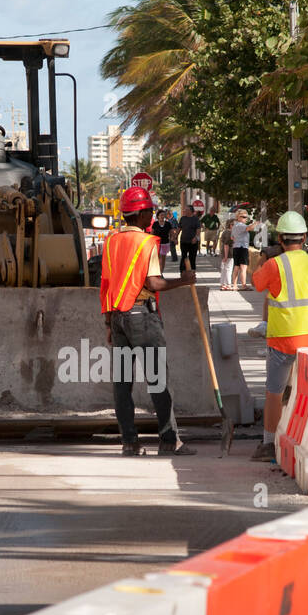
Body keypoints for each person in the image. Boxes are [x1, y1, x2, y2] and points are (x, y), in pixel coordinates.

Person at [100, 185, 197, 457]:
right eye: (150, 212)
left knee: (122, 383)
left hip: (118, 317)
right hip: (142, 314)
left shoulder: (111, 242)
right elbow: (153, 282)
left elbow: (106, 285)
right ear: (141, 214)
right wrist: (183, 281)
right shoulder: (146, 242)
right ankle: (169, 440)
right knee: (157, 380)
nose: (152, 216)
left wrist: (109, 324)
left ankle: (129, 442)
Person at [249, 211, 308, 462]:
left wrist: (264, 258)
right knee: (304, 390)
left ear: (279, 238)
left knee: (274, 391)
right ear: (304, 237)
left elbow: (257, 283)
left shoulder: (275, 264)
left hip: (284, 339)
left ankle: (269, 444)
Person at [177, 204, 202, 274]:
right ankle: (182, 272)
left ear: (190, 211)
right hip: (184, 241)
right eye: (185, 209)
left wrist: (196, 238)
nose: (184, 211)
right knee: (183, 257)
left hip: (193, 242)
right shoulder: (182, 218)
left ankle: (192, 272)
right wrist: (175, 237)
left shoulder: (196, 219)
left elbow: (198, 229)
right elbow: (179, 228)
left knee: (192, 257)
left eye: (186, 210)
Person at [230, 210, 252, 290]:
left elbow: (232, 237)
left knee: (236, 266)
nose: (245, 218)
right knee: (243, 267)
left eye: (246, 217)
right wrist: (256, 223)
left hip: (236, 247)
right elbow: (249, 228)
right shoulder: (241, 225)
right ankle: (244, 285)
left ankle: (234, 285)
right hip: (242, 247)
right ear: (238, 217)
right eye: (243, 217)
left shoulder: (235, 226)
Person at [219, 217, 235, 289]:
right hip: (229, 254)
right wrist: (226, 256)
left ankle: (223, 284)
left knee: (224, 269)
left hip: (225, 253)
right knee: (228, 269)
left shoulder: (225, 232)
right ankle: (228, 284)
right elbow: (226, 245)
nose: (235, 226)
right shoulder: (230, 233)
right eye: (233, 224)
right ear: (230, 225)